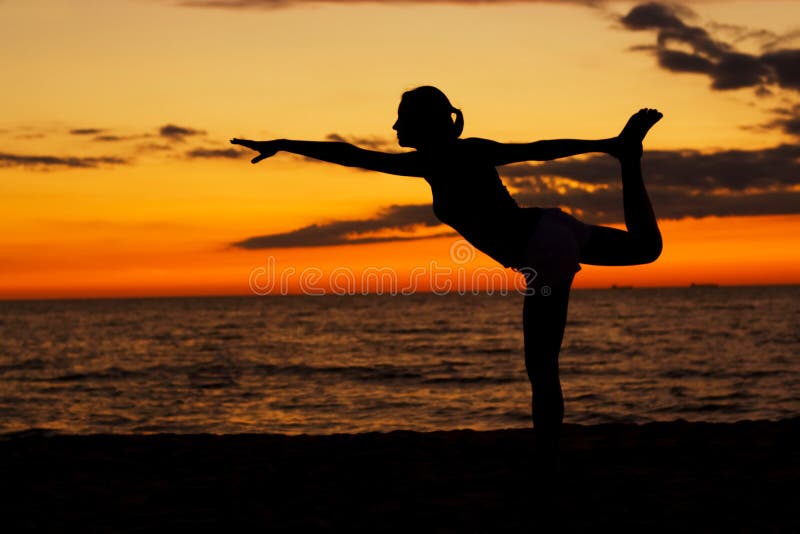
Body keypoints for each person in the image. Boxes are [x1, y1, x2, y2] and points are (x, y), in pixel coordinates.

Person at [231, 85, 662, 451]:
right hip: (550, 231)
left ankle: (547, 459)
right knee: (645, 249)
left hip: (542, 246)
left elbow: (352, 155)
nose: (394, 127)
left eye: (401, 119)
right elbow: (538, 150)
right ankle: (629, 158)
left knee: (542, 364)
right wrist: (608, 145)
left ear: (422, 124)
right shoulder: (461, 153)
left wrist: (285, 143)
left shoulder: (435, 160)